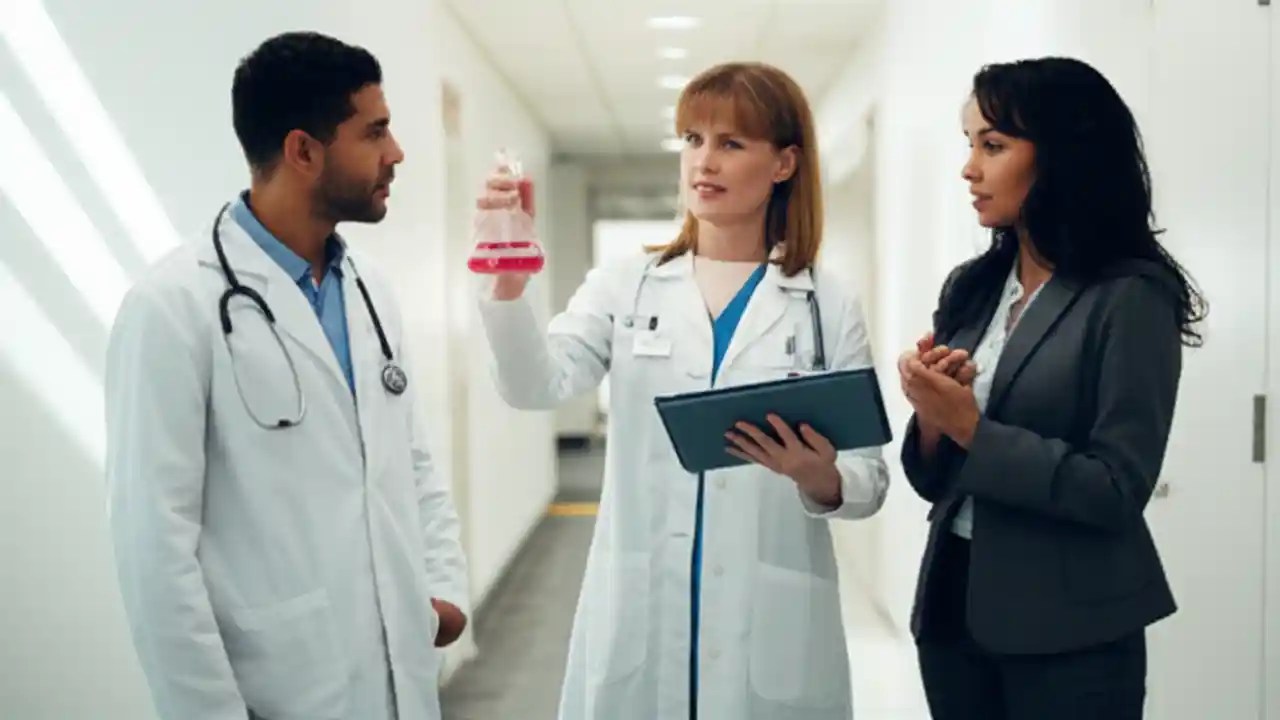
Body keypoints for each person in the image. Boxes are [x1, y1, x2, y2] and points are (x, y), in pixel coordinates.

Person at [475, 62, 888, 720]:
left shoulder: (826, 303)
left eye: (730, 143)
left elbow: (869, 478)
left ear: (783, 164)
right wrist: (506, 289)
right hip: (642, 603)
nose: (704, 161)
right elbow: (535, 384)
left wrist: (822, 478)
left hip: (768, 618)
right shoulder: (627, 283)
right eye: (692, 140)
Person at [104, 32, 469, 720]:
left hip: (398, 676)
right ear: (304, 150)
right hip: (278, 689)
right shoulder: (174, 307)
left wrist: (446, 592)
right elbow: (153, 546)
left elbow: (412, 465)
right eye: (376, 131)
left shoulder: (370, 291)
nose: (396, 154)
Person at [898, 56, 1207, 720]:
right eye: (969, 143)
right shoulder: (973, 287)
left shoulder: (1131, 297)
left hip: (1074, 635)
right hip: (956, 615)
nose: (969, 167)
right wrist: (932, 416)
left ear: (1063, 154)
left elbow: (1117, 487)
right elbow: (936, 480)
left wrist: (971, 428)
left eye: (993, 144)